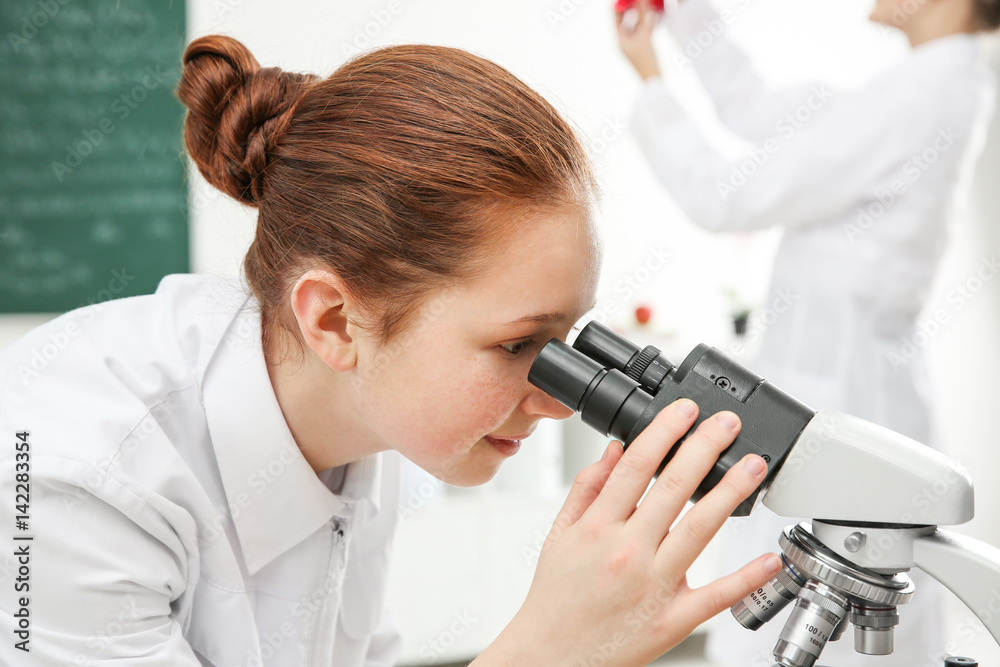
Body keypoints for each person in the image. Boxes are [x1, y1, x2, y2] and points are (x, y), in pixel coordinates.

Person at [0, 35, 783, 666]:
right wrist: (551, 650)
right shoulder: (72, 476)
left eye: (570, 343)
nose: (555, 397)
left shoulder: (355, 419)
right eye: (518, 344)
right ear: (335, 320)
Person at [617, 0, 998, 665]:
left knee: (822, 607)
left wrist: (650, 79)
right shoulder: (923, 86)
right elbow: (759, 109)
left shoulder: (919, 94)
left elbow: (727, 196)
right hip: (847, 389)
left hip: (840, 398)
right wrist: (681, 16)